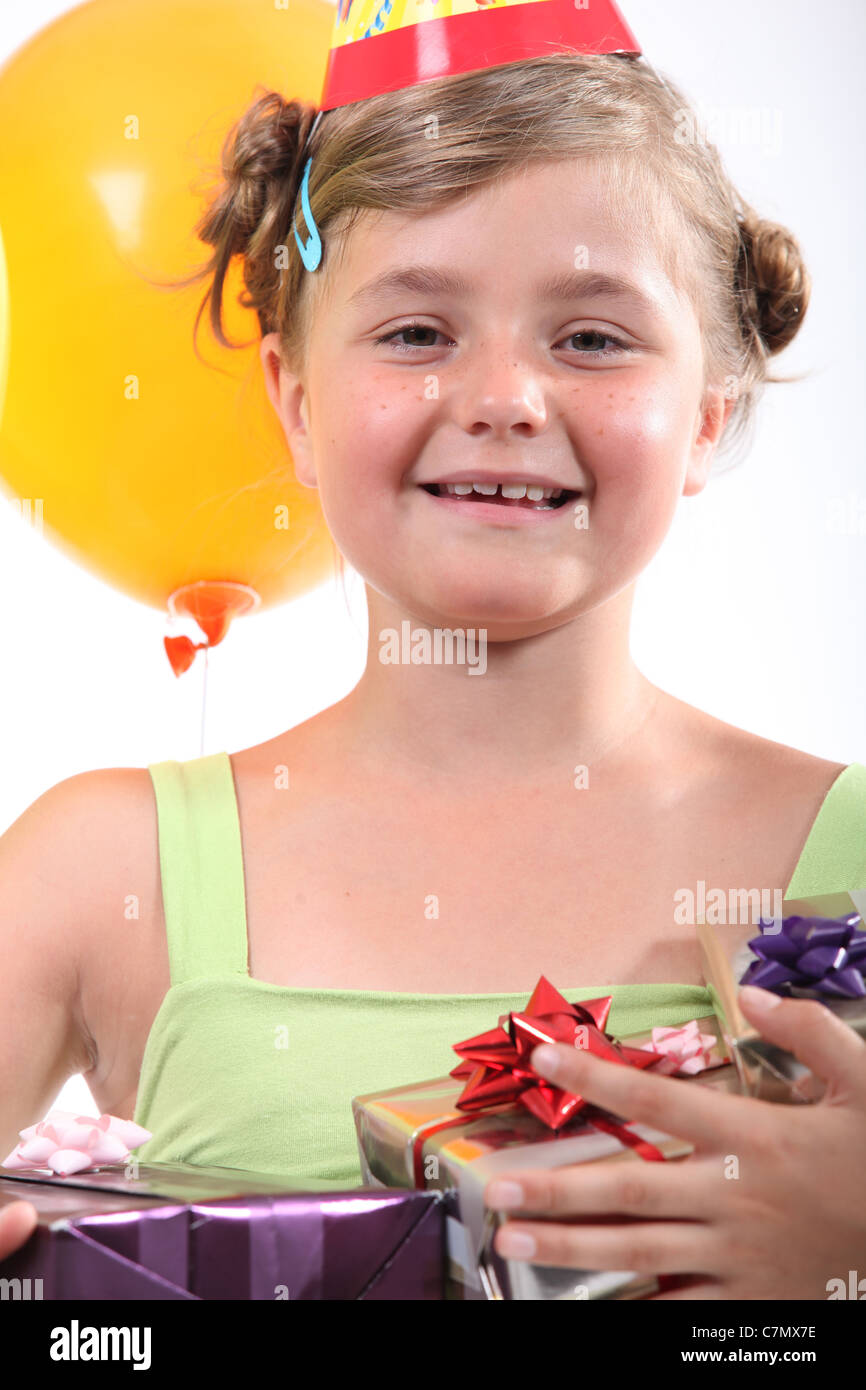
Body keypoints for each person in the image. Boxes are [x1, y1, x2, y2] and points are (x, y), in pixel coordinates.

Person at [2, 30, 864, 1297]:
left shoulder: (848, 855)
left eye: (590, 338)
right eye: (415, 331)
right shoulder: (97, 867)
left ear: (704, 414)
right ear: (294, 400)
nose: (504, 394)